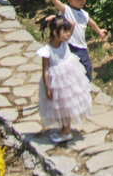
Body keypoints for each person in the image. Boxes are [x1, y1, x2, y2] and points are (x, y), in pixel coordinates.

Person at [37, 15, 93, 144]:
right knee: (61, 106)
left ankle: (66, 132)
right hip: (56, 82)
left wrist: (55, 17)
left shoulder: (64, 42)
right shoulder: (47, 50)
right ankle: (64, 129)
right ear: (55, 32)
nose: (68, 34)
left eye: (68, 31)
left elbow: (72, 23)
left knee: (66, 105)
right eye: (65, 31)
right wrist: (47, 88)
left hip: (69, 79)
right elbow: (45, 70)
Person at [42, 0, 106, 81]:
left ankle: (86, 85)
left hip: (82, 47)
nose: (82, 1)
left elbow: (91, 23)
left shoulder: (84, 14)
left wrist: (99, 31)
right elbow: (56, 2)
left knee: (86, 67)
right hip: (69, 46)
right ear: (70, 0)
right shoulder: (66, 10)